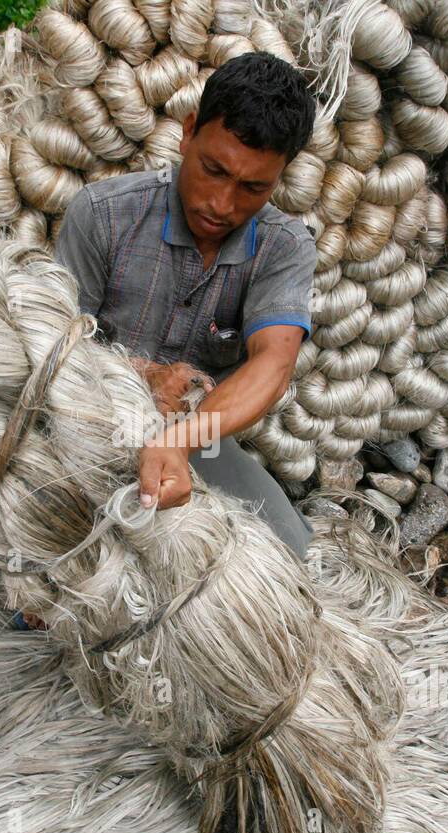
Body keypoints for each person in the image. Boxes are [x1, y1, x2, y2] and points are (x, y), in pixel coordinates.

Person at [52, 50, 320, 568]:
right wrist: (142, 376)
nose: (222, 204)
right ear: (189, 131)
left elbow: (274, 363)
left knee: (292, 556)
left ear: (281, 176)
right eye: (213, 170)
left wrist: (179, 440)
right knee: (63, 564)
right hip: (83, 424)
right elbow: (54, 347)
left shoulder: (284, 247)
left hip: (197, 444)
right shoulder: (104, 216)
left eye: (252, 188)